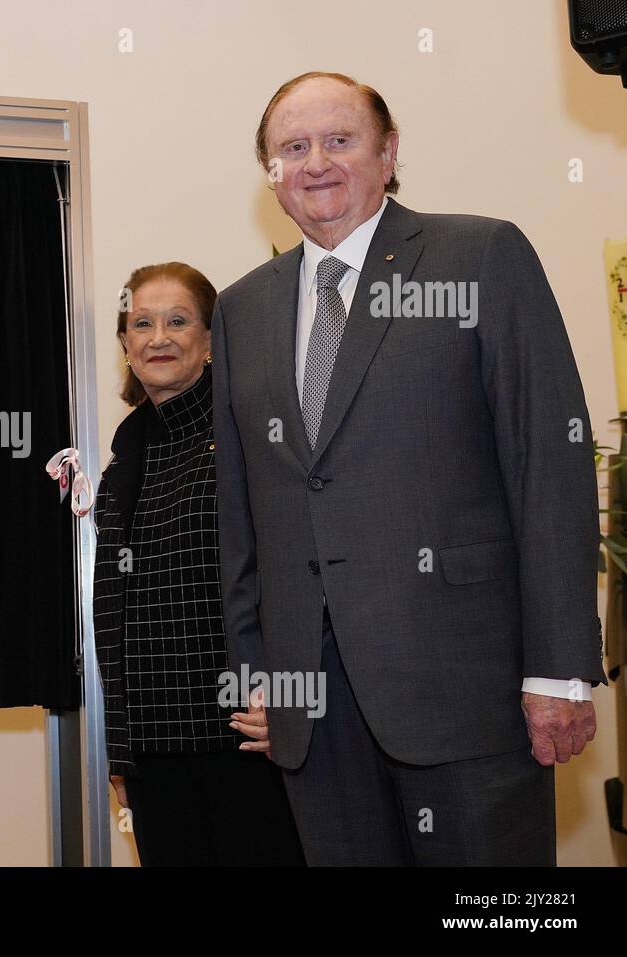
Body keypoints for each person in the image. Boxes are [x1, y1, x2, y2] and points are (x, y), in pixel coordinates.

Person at [211, 71, 607, 865]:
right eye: (293, 148)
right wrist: (254, 668)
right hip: (311, 704)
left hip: (467, 687)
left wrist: (560, 669)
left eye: (339, 140)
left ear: (389, 153)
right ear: (270, 174)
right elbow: (243, 507)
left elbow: (548, 462)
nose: (315, 162)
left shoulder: (481, 254)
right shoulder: (242, 307)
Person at [93, 261, 303, 866]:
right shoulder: (123, 462)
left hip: (248, 745)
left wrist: (290, 703)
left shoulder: (253, 436)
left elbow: (298, 576)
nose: (158, 337)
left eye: (178, 320)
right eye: (141, 323)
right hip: (155, 759)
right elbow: (115, 617)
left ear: (211, 341)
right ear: (126, 346)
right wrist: (121, 751)